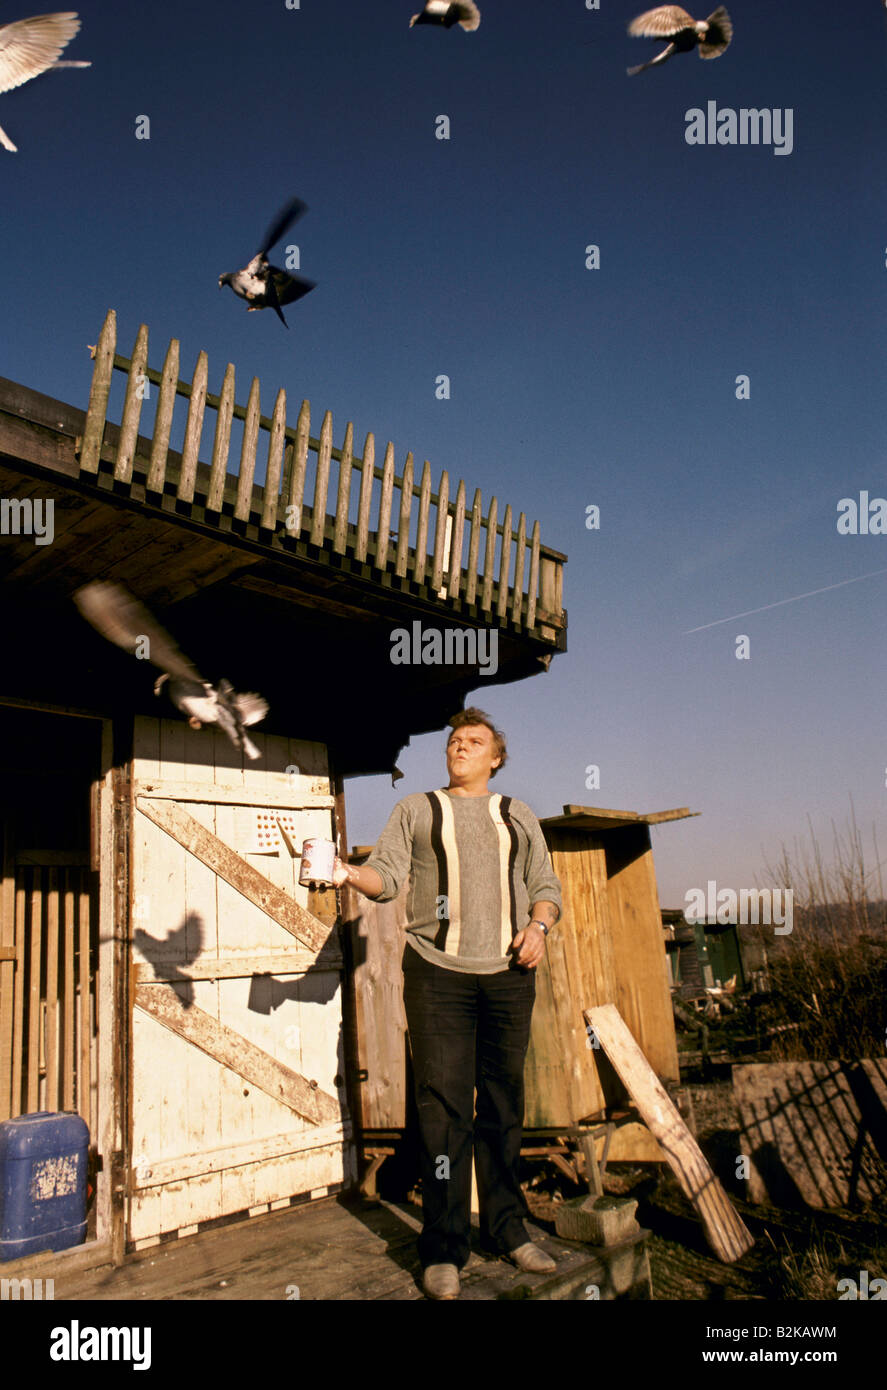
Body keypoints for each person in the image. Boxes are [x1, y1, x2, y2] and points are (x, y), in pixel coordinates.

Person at [332, 707, 562, 1300]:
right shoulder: (416, 809)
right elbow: (385, 876)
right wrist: (344, 873)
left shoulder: (519, 814)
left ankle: (509, 1230)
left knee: (504, 1106)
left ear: (496, 757)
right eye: (454, 740)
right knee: (443, 1109)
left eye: (474, 741)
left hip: (510, 975)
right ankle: (443, 1248)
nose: (460, 747)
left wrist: (538, 928)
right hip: (437, 976)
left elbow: (545, 886)